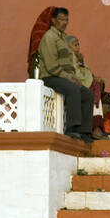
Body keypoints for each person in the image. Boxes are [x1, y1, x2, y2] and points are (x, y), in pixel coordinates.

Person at [30, 7, 93, 140]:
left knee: (88, 94)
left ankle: (84, 131)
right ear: (53, 20)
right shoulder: (49, 37)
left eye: (66, 20)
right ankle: (71, 128)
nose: (64, 23)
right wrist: (69, 78)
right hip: (50, 77)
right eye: (61, 19)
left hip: (63, 77)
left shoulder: (64, 38)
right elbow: (51, 66)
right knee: (73, 89)